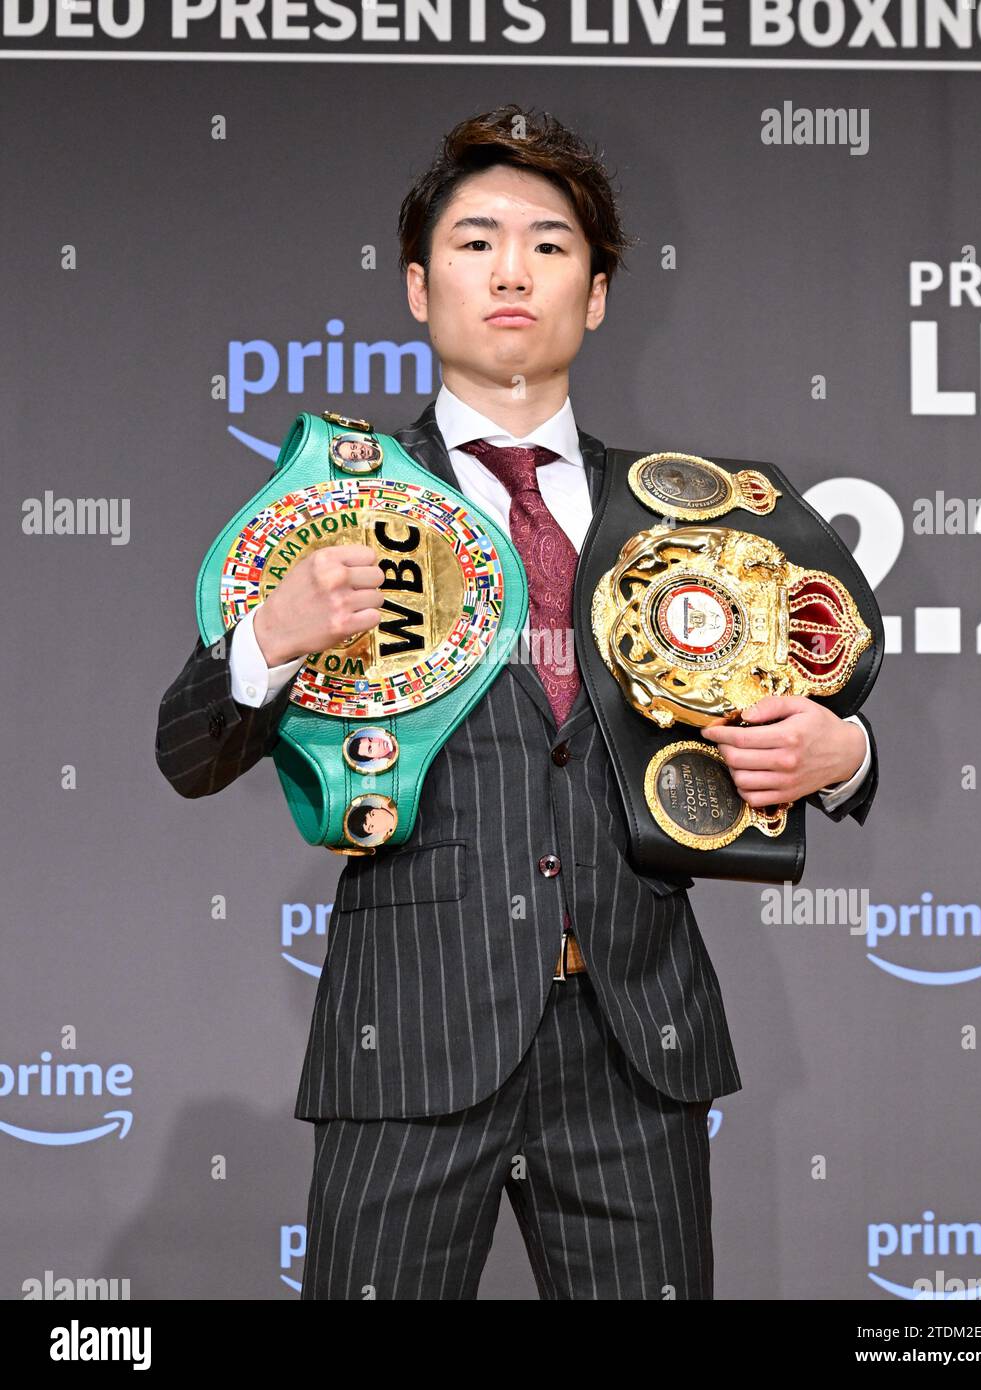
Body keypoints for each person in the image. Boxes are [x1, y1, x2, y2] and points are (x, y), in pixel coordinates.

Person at [155, 104, 878, 1300]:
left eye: (548, 245)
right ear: (416, 286)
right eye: (475, 239)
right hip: (410, 1046)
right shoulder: (335, 503)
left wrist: (838, 751)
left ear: (593, 296)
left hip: (634, 1050)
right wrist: (270, 638)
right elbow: (186, 750)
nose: (509, 269)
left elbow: (812, 712)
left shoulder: (684, 517)